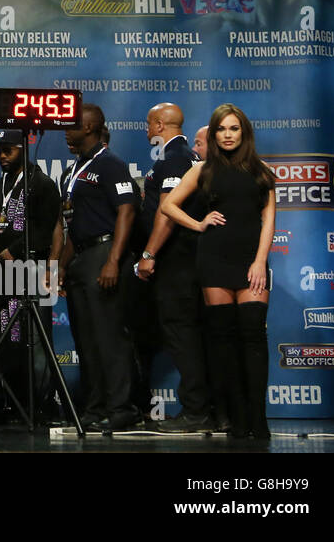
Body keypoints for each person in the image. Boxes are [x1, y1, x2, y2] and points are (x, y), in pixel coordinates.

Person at [160, 104, 275, 441]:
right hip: (213, 259)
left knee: (254, 338)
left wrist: (259, 261)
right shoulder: (203, 170)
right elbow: (168, 205)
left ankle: (259, 418)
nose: (227, 135)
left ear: (244, 133)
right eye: (221, 129)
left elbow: (269, 221)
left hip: (250, 260)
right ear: (213, 134)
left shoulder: (262, 171)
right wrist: (198, 223)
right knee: (223, 342)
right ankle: (237, 421)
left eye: (233, 129)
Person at [59, 103, 140, 432]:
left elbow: (127, 211)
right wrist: (61, 267)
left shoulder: (111, 164)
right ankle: (94, 407)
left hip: (105, 251)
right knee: (86, 340)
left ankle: (122, 407)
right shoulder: (74, 170)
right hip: (79, 256)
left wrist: (113, 260)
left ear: (90, 127)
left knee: (110, 338)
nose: (66, 129)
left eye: (72, 124)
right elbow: (68, 225)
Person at [134, 103, 212, 432]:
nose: (147, 130)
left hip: (176, 261)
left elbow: (167, 211)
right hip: (184, 260)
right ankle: (204, 407)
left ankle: (196, 410)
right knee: (187, 334)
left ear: (159, 125)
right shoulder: (186, 157)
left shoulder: (177, 157)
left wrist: (149, 253)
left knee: (181, 334)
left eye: (149, 124)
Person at [0, 129, 63, 421]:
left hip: (31, 269)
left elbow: (45, 228)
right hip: (0, 275)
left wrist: (15, 251)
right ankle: (13, 403)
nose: (3, 155)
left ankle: (42, 404)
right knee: (7, 338)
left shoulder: (41, 184)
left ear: (24, 149)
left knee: (37, 339)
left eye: (9, 149)